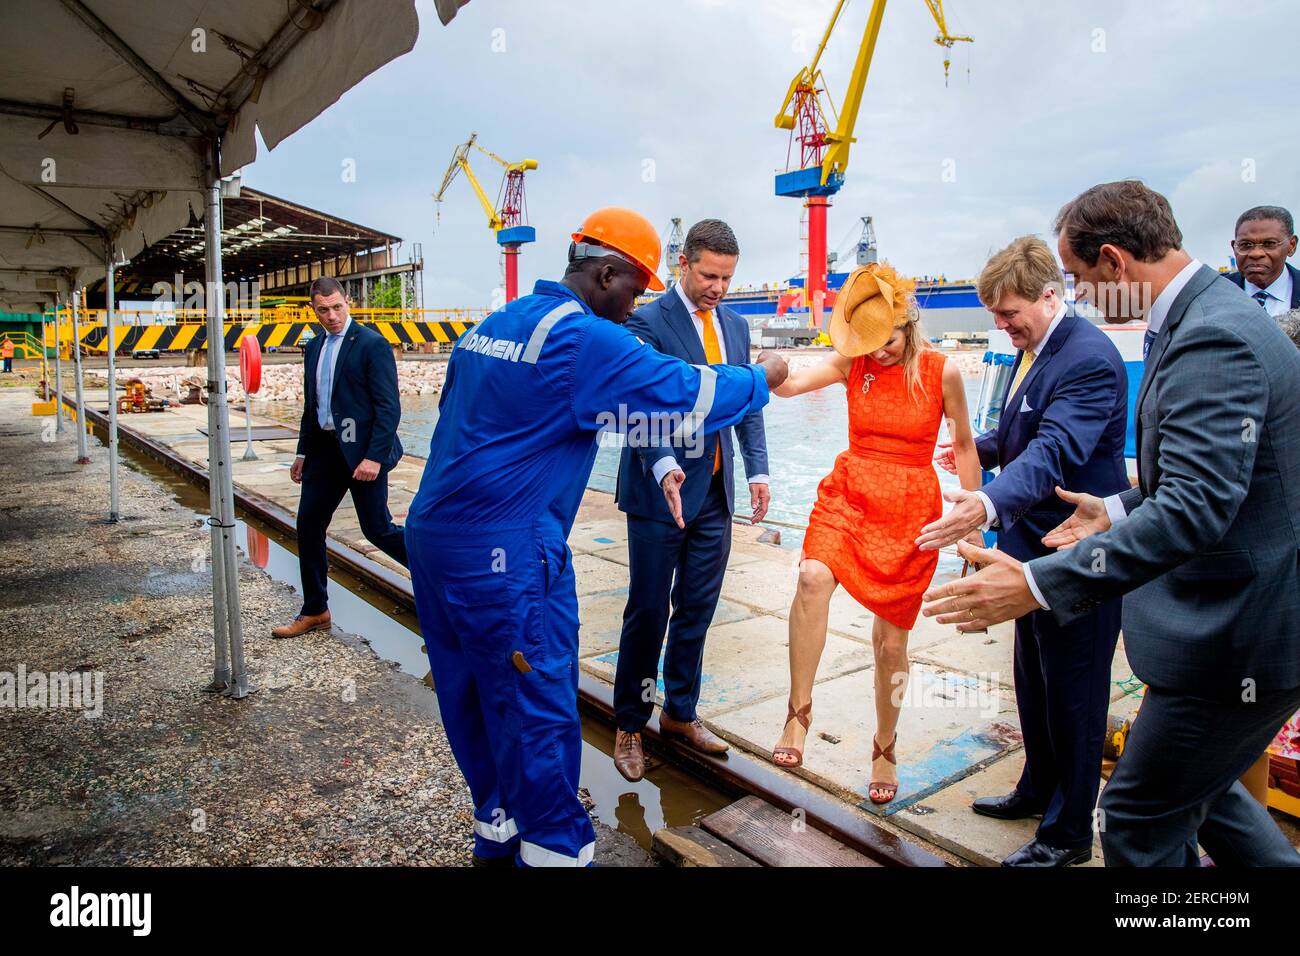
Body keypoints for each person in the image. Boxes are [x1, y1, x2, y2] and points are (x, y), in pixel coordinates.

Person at [923, 180, 1300, 866]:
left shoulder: (1211, 337)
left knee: (1132, 820)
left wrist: (1037, 583)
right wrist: (1118, 506)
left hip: (1240, 630)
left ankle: (1068, 832)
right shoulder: (1201, 318)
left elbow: (1192, 509)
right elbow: (1204, 483)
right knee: (1202, 799)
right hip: (1228, 619)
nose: (1079, 295)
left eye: (1078, 277)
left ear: (1116, 264)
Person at [403, 207, 788, 867]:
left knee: (474, 700)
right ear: (606, 272)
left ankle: (494, 838)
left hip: (435, 540)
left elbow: (476, 420)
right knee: (538, 709)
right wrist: (767, 378)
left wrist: (663, 460)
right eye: (632, 291)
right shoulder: (582, 338)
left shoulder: (493, 327)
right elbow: (686, 394)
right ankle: (555, 850)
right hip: (506, 557)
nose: (633, 306)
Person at [915, 236, 1129, 866]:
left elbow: (1053, 451)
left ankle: (1067, 835)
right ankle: (1038, 787)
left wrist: (985, 504)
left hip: (1076, 548)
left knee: (1077, 689)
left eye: (1010, 314)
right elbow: (1020, 434)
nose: (1002, 326)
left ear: (1050, 295)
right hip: (1027, 547)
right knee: (1033, 679)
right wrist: (968, 447)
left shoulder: (1088, 358)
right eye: (996, 317)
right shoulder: (1036, 349)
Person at [768, 262, 981, 805]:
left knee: (891, 642)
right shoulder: (852, 361)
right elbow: (790, 385)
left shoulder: (942, 372)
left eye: (889, 339)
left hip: (911, 508)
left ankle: (885, 745)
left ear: (909, 325)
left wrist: (973, 527)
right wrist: (753, 372)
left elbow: (962, 447)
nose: (879, 350)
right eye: (870, 340)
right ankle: (798, 715)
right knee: (812, 577)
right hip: (851, 491)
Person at [611, 219, 770, 781]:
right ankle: (630, 722)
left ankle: (680, 712)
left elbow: (750, 397)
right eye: (709, 275)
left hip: (716, 497)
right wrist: (664, 464)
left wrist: (759, 470)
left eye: (727, 278)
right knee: (648, 610)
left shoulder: (736, 325)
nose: (718, 288)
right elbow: (635, 402)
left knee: (697, 611)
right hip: (661, 493)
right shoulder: (646, 321)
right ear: (684, 263)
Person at [272, 276, 408, 638]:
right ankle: (315, 609)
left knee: (377, 529)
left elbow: (388, 408)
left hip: (363, 454)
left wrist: (375, 458)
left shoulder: (371, 345)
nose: (331, 315)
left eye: (337, 307)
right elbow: (312, 406)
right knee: (308, 524)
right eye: (323, 310)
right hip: (325, 452)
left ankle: (437, 572)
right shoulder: (314, 347)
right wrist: (302, 452)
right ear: (313, 310)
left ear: (347, 302)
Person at [1221, 205, 1299, 316]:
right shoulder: (1214, 293)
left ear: (1292, 246)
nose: (1256, 253)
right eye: (1246, 244)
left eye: (1269, 244)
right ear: (1234, 247)